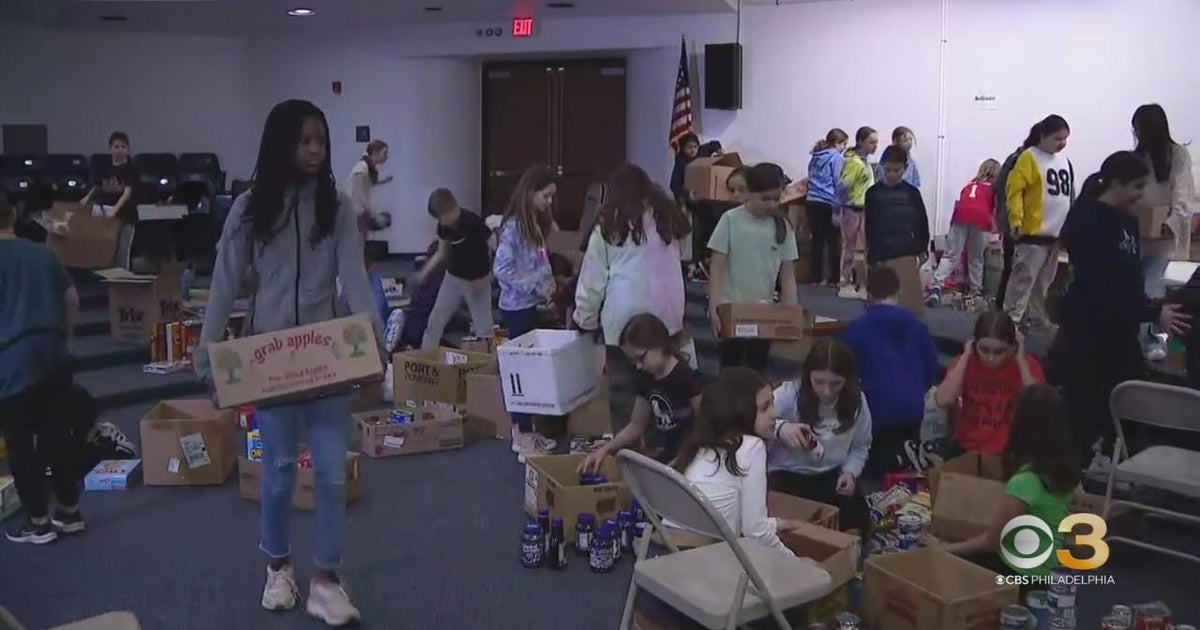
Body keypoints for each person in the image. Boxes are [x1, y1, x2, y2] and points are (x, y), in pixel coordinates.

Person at [195, 100, 385, 625]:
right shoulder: (250, 209)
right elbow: (224, 283)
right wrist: (207, 354)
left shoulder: (338, 207)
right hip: (269, 360)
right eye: (304, 140)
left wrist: (371, 341)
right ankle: (278, 566)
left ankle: (327, 578)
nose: (315, 150)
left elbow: (354, 276)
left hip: (327, 362)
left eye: (321, 141)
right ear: (282, 143)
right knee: (277, 473)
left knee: (329, 472)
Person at [1049, 151, 1191, 468]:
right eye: (1137, 187)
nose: (1142, 197)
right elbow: (1100, 287)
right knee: (1087, 406)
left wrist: (1147, 308)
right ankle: (1083, 469)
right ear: (1116, 183)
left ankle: (1110, 461)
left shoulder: (1125, 220)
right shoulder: (1089, 220)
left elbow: (1129, 278)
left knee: (1123, 402)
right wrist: (1152, 313)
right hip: (1091, 332)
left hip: (1118, 329)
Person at [574, 164, 693, 420]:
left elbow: (592, 281)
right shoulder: (670, 218)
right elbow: (683, 258)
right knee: (668, 395)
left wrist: (585, 320)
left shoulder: (608, 223)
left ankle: (628, 454)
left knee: (624, 401)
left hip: (623, 322)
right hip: (667, 317)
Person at [924, 385, 1080, 578]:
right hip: (1046, 571)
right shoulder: (1065, 470)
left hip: (1017, 574)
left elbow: (992, 541)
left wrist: (944, 548)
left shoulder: (1025, 482)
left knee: (951, 567)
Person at [0, 191, 82, 545]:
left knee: (20, 442)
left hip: (13, 359)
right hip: (54, 354)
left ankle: (37, 521)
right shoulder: (44, 255)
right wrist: (63, 339)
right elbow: (72, 299)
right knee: (56, 435)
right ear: (13, 216)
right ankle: (69, 510)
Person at [667, 367, 799, 554]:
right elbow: (756, 533)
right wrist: (797, 564)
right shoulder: (752, 446)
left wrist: (772, 523)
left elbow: (732, 512)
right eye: (764, 407)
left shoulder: (699, 445)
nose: (775, 413)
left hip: (666, 550)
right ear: (740, 411)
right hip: (703, 561)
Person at [766, 338, 872, 533]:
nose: (826, 391)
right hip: (788, 474)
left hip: (831, 475)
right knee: (798, 531)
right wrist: (781, 428)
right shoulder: (789, 394)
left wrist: (849, 472)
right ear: (808, 376)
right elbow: (752, 424)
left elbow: (861, 445)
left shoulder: (857, 402)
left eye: (835, 384)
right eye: (819, 382)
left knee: (856, 525)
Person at [493, 164, 560, 462]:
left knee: (530, 373)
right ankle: (521, 435)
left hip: (530, 306)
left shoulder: (532, 222)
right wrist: (536, 284)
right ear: (531, 192)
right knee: (521, 374)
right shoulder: (514, 227)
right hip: (517, 309)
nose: (550, 202)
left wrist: (547, 282)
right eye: (546, 196)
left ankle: (526, 431)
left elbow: (538, 261)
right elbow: (502, 269)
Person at [577, 314, 703, 472]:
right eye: (634, 361)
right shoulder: (645, 379)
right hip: (660, 458)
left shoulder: (686, 377)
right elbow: (636, 424)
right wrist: (605, 449)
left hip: (687, 460)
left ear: (658, 344)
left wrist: (685, 457)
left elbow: (704, 424)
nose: (638, 366)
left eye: (641, 358)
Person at [841, 267, 936, 475]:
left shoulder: (857, 330)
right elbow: (931, 371)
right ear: (898, 290)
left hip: (876, 417)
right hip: (913, 411)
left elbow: (843, 374)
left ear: (868, 292)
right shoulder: (917, 327)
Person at [707, 163, 799, 371]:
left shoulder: (783, 227)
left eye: (776, 198)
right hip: (731, 308)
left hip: (763, 311)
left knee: (757, 369)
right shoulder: (730, 220)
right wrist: (714, 307)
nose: (772, 204)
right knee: (731, 369)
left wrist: (789, 312)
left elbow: (787, 275)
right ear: (748, 193)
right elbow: (717, 268)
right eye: (765, 199)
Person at [1131, 104, 1196, 361]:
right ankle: (1137, 340)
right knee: (1136, 289)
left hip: (1163, 238)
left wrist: (1168, 221)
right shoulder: (1137, 156)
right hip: (1136, 237)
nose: (1136, 133)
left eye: (1139, 128)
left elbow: (1183, 196)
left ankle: (1149, 342)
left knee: (1149, 289)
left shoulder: (1177, 155)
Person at [936, 312, 1043, 456]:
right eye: (984, 350)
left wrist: (1020, 360)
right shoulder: (966, 363)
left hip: (1010, 450)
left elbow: (1039, 407)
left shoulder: (1027, 365)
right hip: (968, 446)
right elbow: (943, 400)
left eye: (999, 351)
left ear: (1013, 347)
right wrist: (966, 356)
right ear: (974, 345)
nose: (991, 358)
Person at [1003, 115, 1074, 333]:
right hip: (1033, 232)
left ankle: (1036, 317)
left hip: (1056, 233)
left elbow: (1069, 195)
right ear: (1043, 136)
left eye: (1065, 139)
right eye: (1057, 138)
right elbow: (1014, 190)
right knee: (1023, 278)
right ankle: (1011, 320)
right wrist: (1016, 219)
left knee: (1044, 282)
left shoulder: (1065, 161)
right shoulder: (1029, 157)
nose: (1061, 143)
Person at [416, 188, 494, 349]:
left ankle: (489, 364)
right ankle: (425, 359)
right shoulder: (443, 227)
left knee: (484, 328)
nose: (441, 222)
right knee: (435, 322)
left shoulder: (473, 223)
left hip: (477, 281)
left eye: (442, 218)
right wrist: (424, 273)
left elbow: (497, 249)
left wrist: (486, 278)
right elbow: (441, 253)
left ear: (452, 209)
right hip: (453, 278)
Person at [863, 145, 930, 317]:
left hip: (905, 250)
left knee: (909, 305)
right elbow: (870, 225)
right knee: (881, 303)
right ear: (882, 167)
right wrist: (869, 253)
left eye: (896, 170)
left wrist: (923, 246)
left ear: (905, 168)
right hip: (881, 252)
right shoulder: (872, 193)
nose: (892, 174)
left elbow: (921, 221)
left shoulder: (912, 193)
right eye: (888, 170)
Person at [927, 159, 1001, 308]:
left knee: (951, 255)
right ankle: (975, 291)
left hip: (960, 217)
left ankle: (936, 285)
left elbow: (961, 203)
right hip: (981, 220)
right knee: (976, 257)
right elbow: (995, 210)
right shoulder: (993, 188)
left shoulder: (970, 184)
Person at [993, 124, 1040, 307]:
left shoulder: (1025, 158)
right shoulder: (1021, 159)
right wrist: (1012, 221)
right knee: (1015, 269)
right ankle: (1004, 312)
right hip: (1018, 224)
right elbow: (1003, 190)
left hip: (1034, 226)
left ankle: (1008, 310)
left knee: (1019, 271)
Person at [79, 131, 139, 268]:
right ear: (110, 149)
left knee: (123, 251)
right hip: (107, 217)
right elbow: (98, 186)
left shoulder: (131, 169)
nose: (120, 150)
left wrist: (115, 210)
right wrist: (87, 198)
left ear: (128, 150)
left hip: (126, 216)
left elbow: (127, 193)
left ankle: (123, 282)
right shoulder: (105, 167)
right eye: (116, 147)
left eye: (123, 147)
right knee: (108, 249)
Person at [837, 126, 879, 299]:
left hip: (865, 209)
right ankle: (845, 282)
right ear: (861, 142)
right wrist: (836, 209)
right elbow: (842, 187)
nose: (875, 146)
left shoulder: (865, 162)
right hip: (852, 210)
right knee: (850, 247)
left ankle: (862, 284)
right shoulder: (853, 163)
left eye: (876, 142)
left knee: (865, 249)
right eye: (871, 142)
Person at [806, 129, 848, 286]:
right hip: (828, 201)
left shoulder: (815, 158)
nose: (844, 148)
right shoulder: (836, 157)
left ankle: (816, 277)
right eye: (843, 144)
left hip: (812, 201)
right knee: (833, 241)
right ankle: (834, 278)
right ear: (836, 143)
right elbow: (839, 180)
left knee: (816, 240)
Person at [347, 139, 394, 240]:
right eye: (384, 153)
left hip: (360, 211)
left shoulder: (366, 167)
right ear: (375, 152)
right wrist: (369, 211)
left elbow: (367, 183)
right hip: (358, 212)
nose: (386, 157)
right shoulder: (362, 167)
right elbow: (358, 189)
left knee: (361, 241)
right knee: (359, 242)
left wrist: (383, 181)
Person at [668, 132, 700, 204]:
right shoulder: (680, 163)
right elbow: (674, 185)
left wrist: (718, 149)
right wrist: (686, 193)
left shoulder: (701, 153)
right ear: (682, 148)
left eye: (695, 147)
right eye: (689, 147)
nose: (693, 150)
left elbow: (713, 144)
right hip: (687, 199)